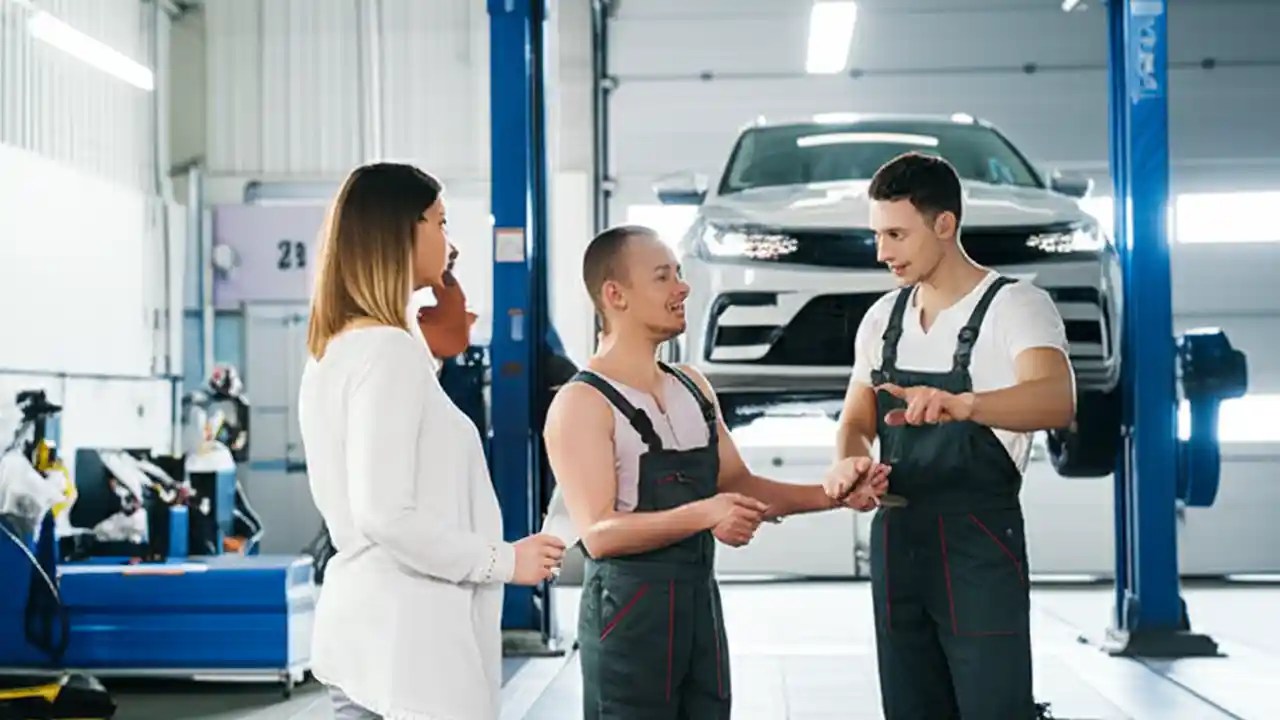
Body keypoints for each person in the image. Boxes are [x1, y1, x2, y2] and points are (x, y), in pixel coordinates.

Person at [543, 225, 889, 719]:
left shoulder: (693, 386)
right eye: (663, 277)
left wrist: (835, 494)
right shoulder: (583, 403)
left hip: (699, 606)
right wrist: (705, 514)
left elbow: (739, 485)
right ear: (614, 295)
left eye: (679, 274)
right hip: (628, 618)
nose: (682, 288)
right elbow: (598, 534)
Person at [297, 162, 566, 720]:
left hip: (381, 634)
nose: (451, 242)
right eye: (440, 222)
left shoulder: (344, 350)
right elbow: (385, 514)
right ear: (401, 230)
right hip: (407, 639)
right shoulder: (386, 352)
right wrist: (502, 560)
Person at [824, 152, 1075, 719]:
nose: (882, 252)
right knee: (910, 707)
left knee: (994, 706)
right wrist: (850, 464)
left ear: (945, 224)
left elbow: (1057, 399)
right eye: (877, 235)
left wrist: (967, 405)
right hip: (896, 542)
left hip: (978, 543)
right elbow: (857, 421)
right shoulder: (882, 318)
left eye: (895, 234)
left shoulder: (1017, 306)